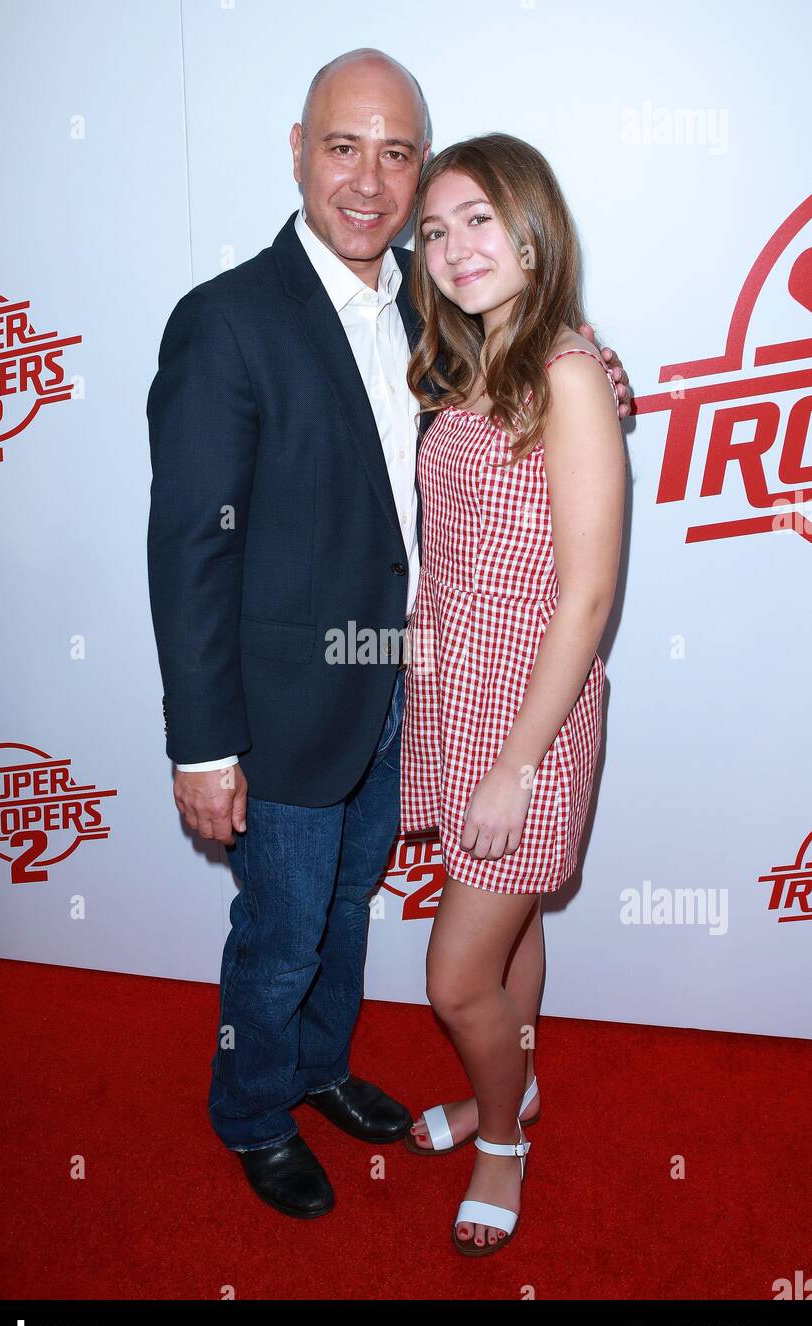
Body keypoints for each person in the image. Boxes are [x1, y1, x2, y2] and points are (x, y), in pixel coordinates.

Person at [146, 50, 632, 1223]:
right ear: (299, 151)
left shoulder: (436, 307)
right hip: (289, 705)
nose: (370, 180)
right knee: (278, 931)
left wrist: (586, 368)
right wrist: (203, 742)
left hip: (417, 695)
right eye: (342, 145)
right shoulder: (228, 321)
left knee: (355, 907)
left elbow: (541, 441)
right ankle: (256, 1112)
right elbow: (190, 545)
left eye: (397, 153)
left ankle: (325, 1069)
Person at [398, 133, 626, 1257]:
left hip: (524, 717)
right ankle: (519, 1087)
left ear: (532, 226)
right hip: (463, 693)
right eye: (432, 231)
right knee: (509, 926)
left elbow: (584, 598)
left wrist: (516, 762)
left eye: (476, 218)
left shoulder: (566, 373)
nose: (451, 247)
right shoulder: (477, 363)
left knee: (450, 978)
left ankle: (501, 1138)